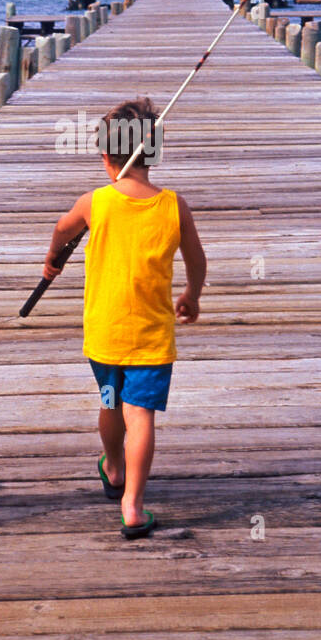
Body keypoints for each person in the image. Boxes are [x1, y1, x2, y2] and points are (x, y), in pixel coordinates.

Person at [42, 97, 206, 538]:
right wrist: (191, 294)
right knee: (142, 417)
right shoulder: (174, 206)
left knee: (110, 403)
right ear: (152, 153)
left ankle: (113, 467)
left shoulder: (96, 202)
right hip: (151, 338)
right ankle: (133, 506)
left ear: (106, 158)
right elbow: (197, 260)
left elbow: (62, 227)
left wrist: (52, 260)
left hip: (105, 333)